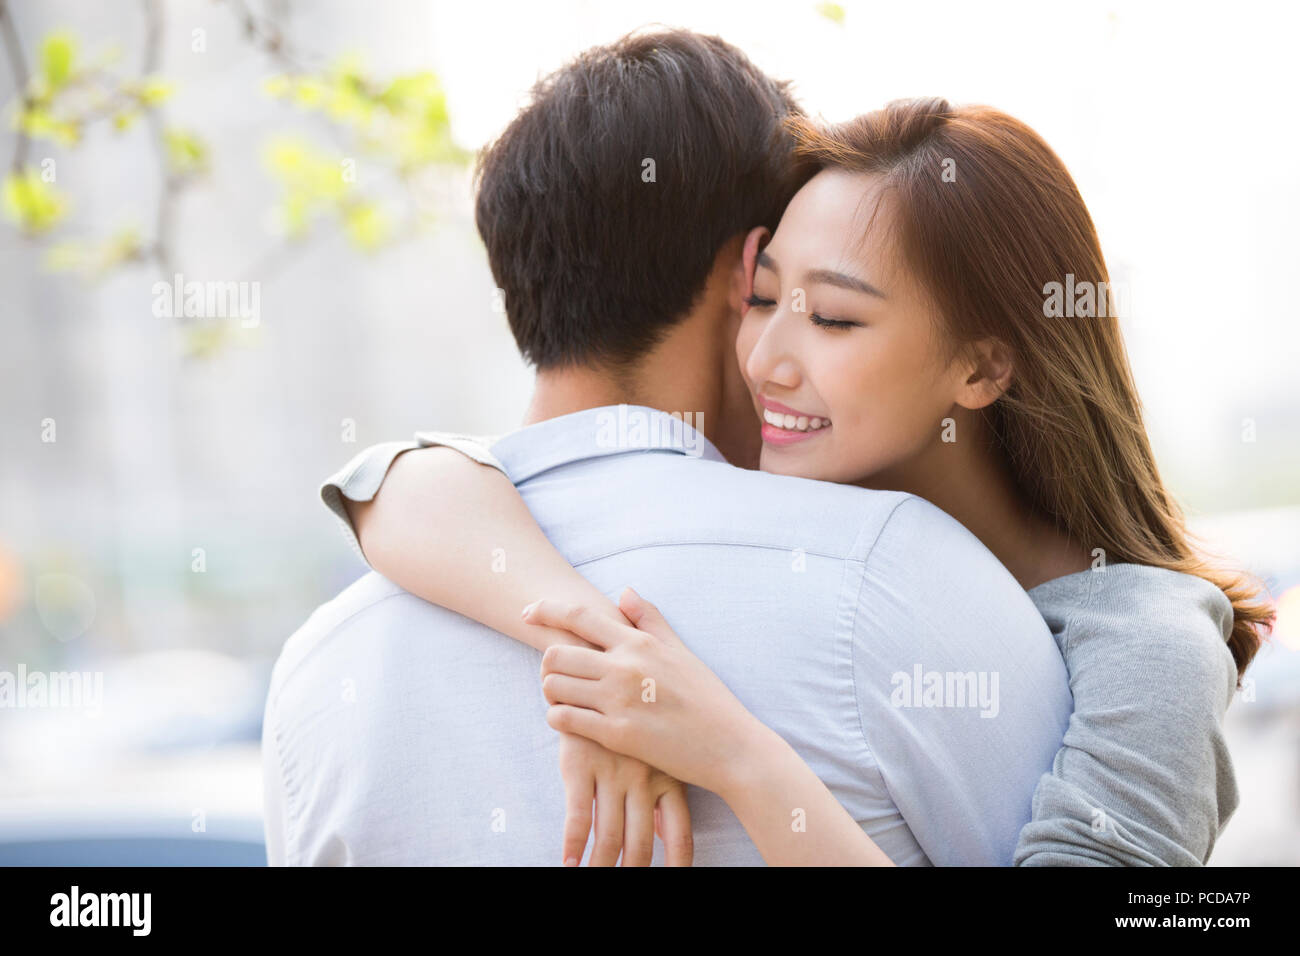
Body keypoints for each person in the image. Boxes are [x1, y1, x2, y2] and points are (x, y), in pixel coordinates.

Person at [320, 97, 1272, 865]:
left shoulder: (1145, 639)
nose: (767, 359)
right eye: (764, 299)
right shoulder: (785, 537)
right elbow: (389, 482)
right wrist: (594, 645)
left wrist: (736, 756)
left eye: (837, 321)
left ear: (981, 370)